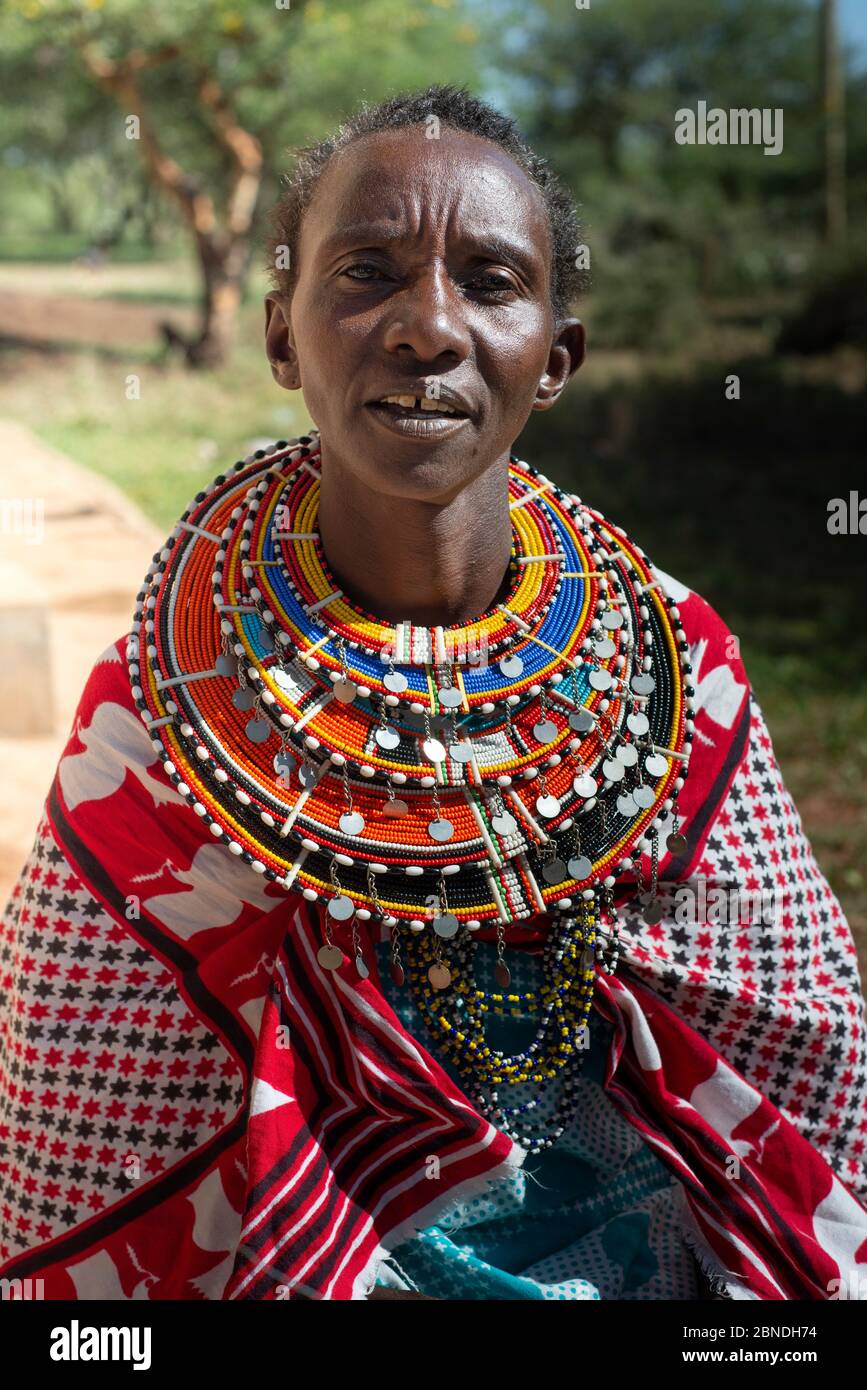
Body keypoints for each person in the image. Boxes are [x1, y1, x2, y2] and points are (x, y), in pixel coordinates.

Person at [1, 85, 866, 1303]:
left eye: (493, 281)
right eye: (367, 271)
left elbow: (799, 1052)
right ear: (281, 336)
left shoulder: (676, 670)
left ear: (554, 357)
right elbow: (78, 1113)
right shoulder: (168, 700)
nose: (428, 328)